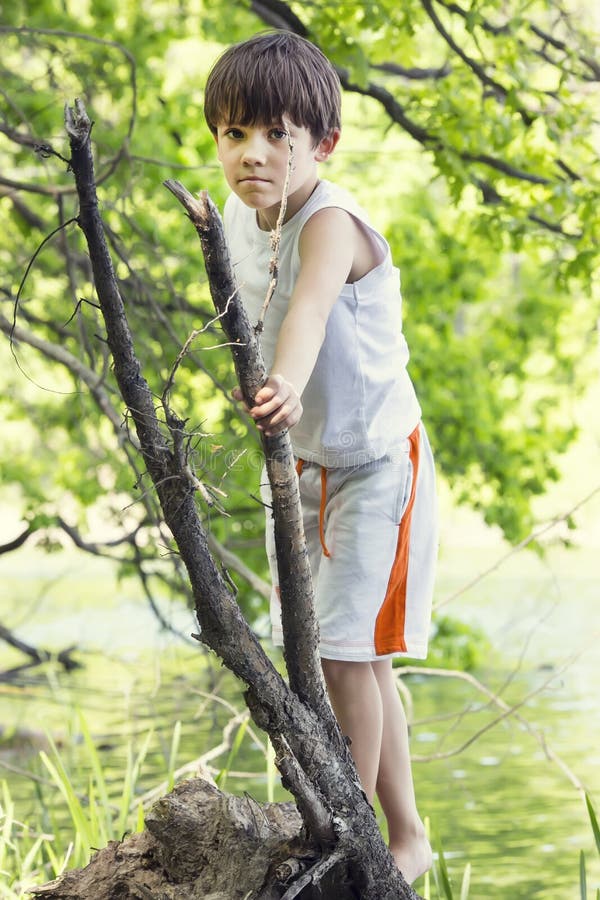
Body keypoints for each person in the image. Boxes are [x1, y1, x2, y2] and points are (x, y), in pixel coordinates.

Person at [204, 31, 438, 885]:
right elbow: (250, 304)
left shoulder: (332, 219)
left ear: (322, 143)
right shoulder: (233, 211)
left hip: (376, 462)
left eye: (276, 134)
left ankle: (357, 829)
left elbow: (304, 310)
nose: (252, 154)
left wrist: (286, 385)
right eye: (233, 134)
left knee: (342, 651)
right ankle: (407, 835)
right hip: (303, 464)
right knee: (352, 655)